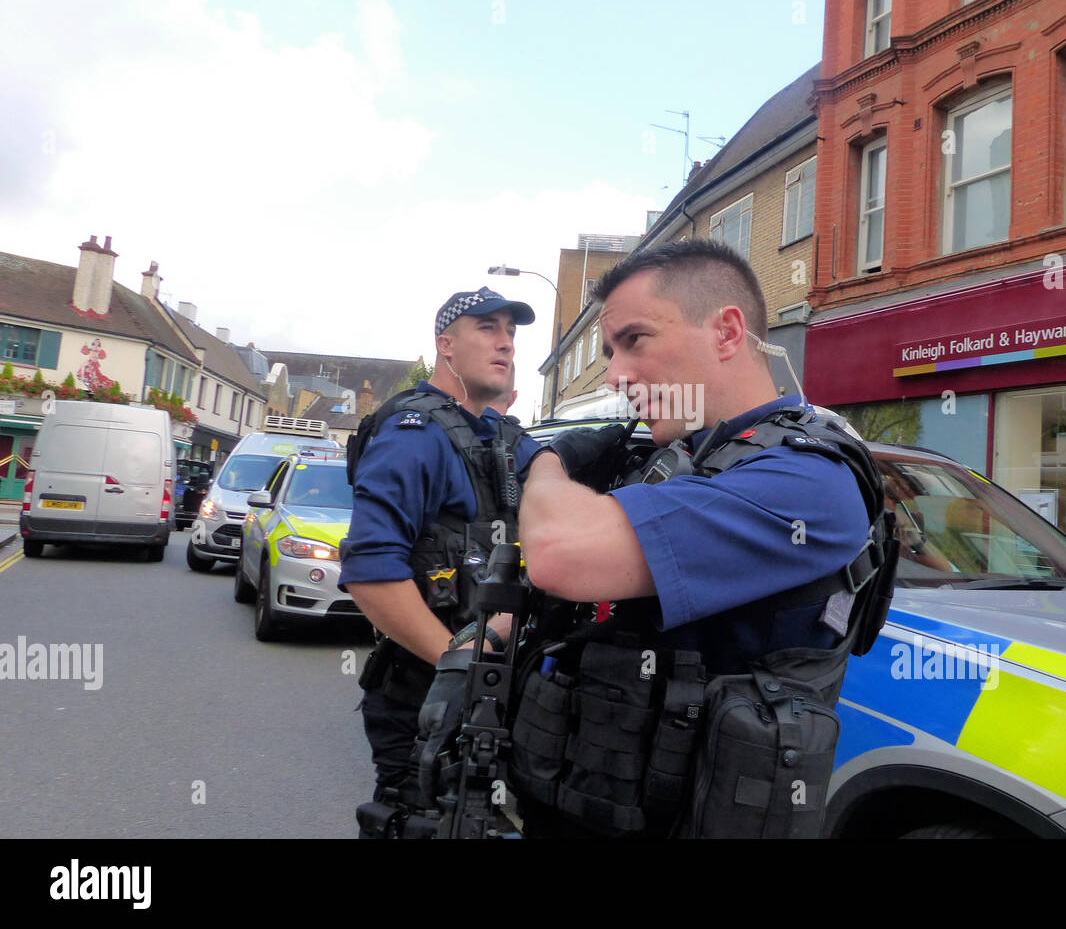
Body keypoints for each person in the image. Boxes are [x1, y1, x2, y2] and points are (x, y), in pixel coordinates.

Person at [513, 239, 887, 838]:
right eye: (608, 352)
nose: (615, 375)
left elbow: (559, 553)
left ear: (727, 332)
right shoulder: (690, 455)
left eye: (634, 340)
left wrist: (545, 462)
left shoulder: (806, 479)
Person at [340, 287, 540, 830]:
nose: (506, 343)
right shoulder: (414, 434)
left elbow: (552, 465)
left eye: (512, 332)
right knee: (428, 821)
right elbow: (371, 572)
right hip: (425, 696)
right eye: (487, 328)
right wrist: (463, 669)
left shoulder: (492, 433)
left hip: (486, 694)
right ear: (444, 345)